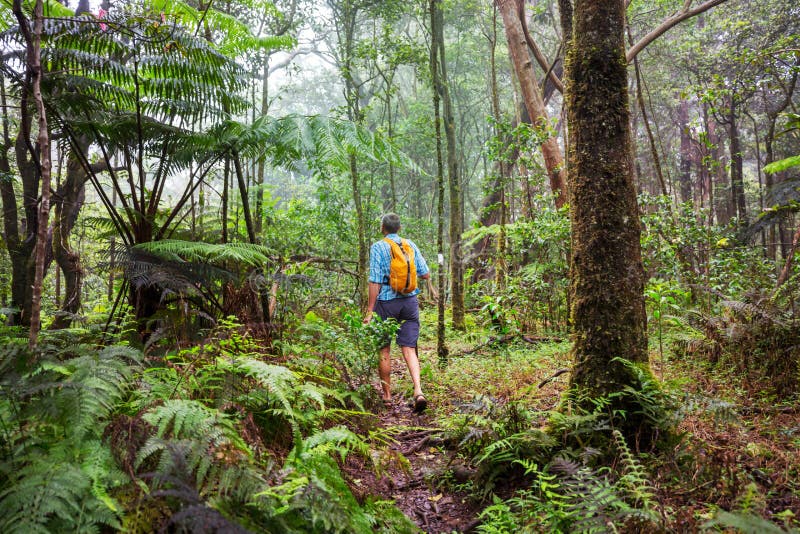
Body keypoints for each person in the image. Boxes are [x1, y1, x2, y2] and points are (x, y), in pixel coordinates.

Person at [363, 213, 436, 413]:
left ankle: (387, 397)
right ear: (399, 228)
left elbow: (375, 280)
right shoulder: (409, 244)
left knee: (384, 349)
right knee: (409, 347)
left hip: (387, 302)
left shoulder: (378, 247)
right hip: (410, 301)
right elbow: (425, 273)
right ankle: (418, 391)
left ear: (382, 228)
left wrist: (370, 310)